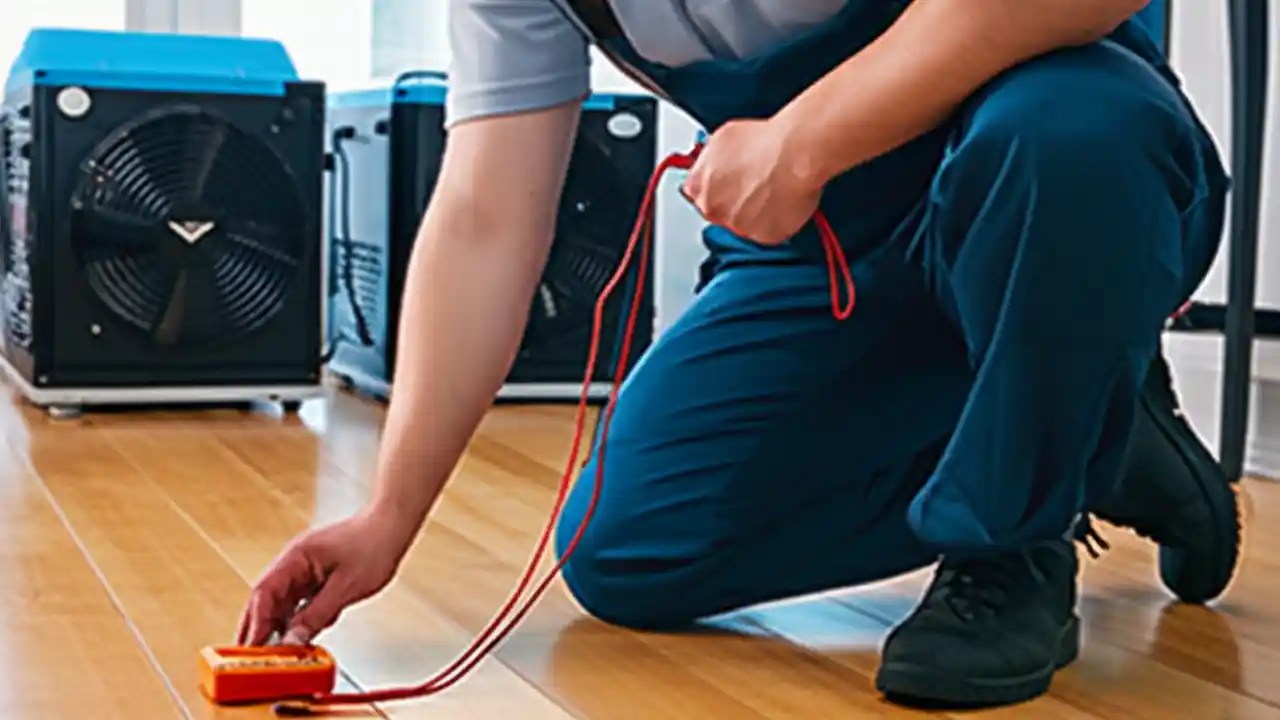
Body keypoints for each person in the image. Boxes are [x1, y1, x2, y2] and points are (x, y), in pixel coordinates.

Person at [240, 0, 1241, 708]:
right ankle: (1091, 423)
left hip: (1055, 180)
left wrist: (801, 142)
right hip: (823, 251)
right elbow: (486, 216)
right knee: (626, 548)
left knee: (1062, 131)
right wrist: (388, 515)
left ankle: (1013, 530)